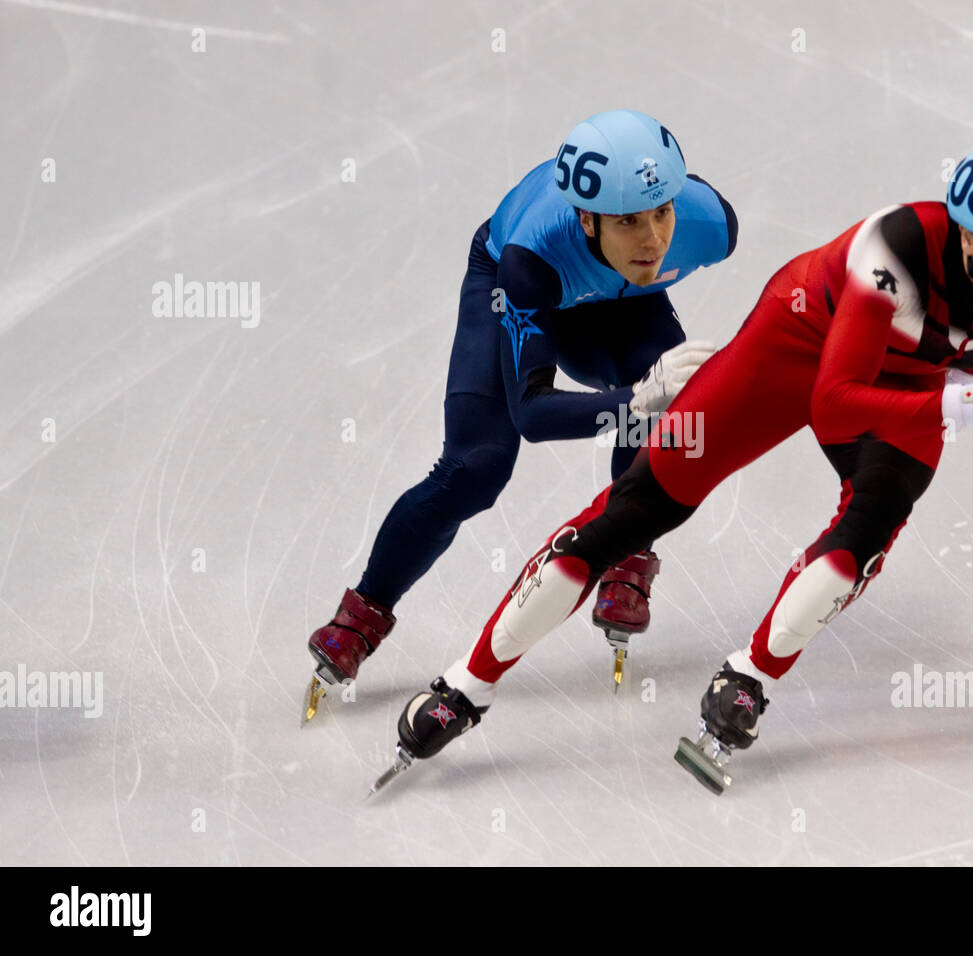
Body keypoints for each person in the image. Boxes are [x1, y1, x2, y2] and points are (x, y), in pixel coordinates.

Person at [376, 136, 973, 793]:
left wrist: (956, 392)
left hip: (909, 376)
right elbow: (838, 405)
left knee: (867, 533)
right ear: (970, 239)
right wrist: (970, 404)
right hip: (801, 347)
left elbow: (956, 350)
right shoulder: (892, 251)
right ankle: (464, 688)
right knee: (638, 506)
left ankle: (747, 679)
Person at [303, 110, 738, 720]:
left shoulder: (710, 225)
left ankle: (626, 548)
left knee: (669, 405)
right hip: (527, 285)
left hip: (619, 299)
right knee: (476, 467)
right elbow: (532, 413)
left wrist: (657, 398)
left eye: (662, 212)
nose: (653, 240)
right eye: (629, 221)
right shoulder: (528, 257)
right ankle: (361, 615)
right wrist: (635, 400)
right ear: (587, 218)